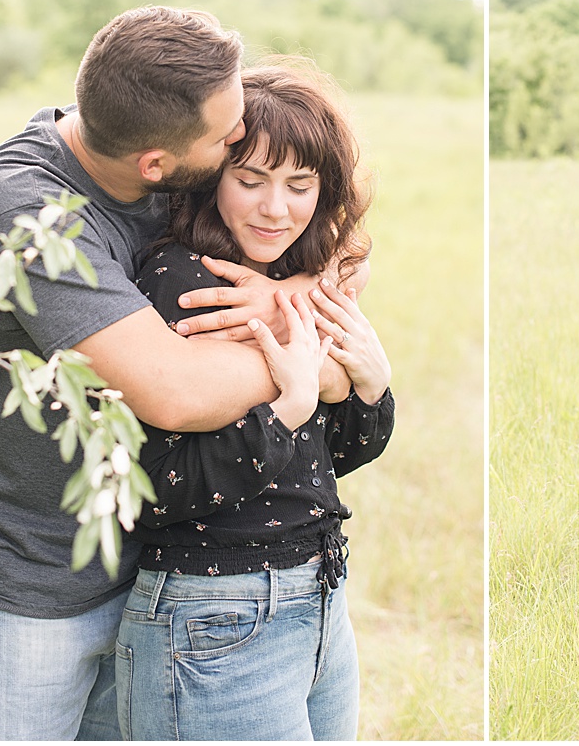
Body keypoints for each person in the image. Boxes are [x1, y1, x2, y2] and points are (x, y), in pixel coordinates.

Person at [0, 7, 351, 740]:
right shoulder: (24, 216)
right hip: (19, 589)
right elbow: (175, 391)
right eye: (226, 138)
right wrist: (311, 363)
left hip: (149, 574)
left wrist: (291, 294)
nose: (239, 138)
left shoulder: (162, 153)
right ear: (158, 166)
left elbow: (323, 223)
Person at [115, 63, 394, 740]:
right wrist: (289, 406)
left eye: (301, 186)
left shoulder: (298, 281)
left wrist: (371, 383)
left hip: (319, 596)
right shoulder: (187, 286)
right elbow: (153, 490)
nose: (277, 209)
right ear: (213, 180)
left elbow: (343, 454)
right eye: (251, 180)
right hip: (213, 615)